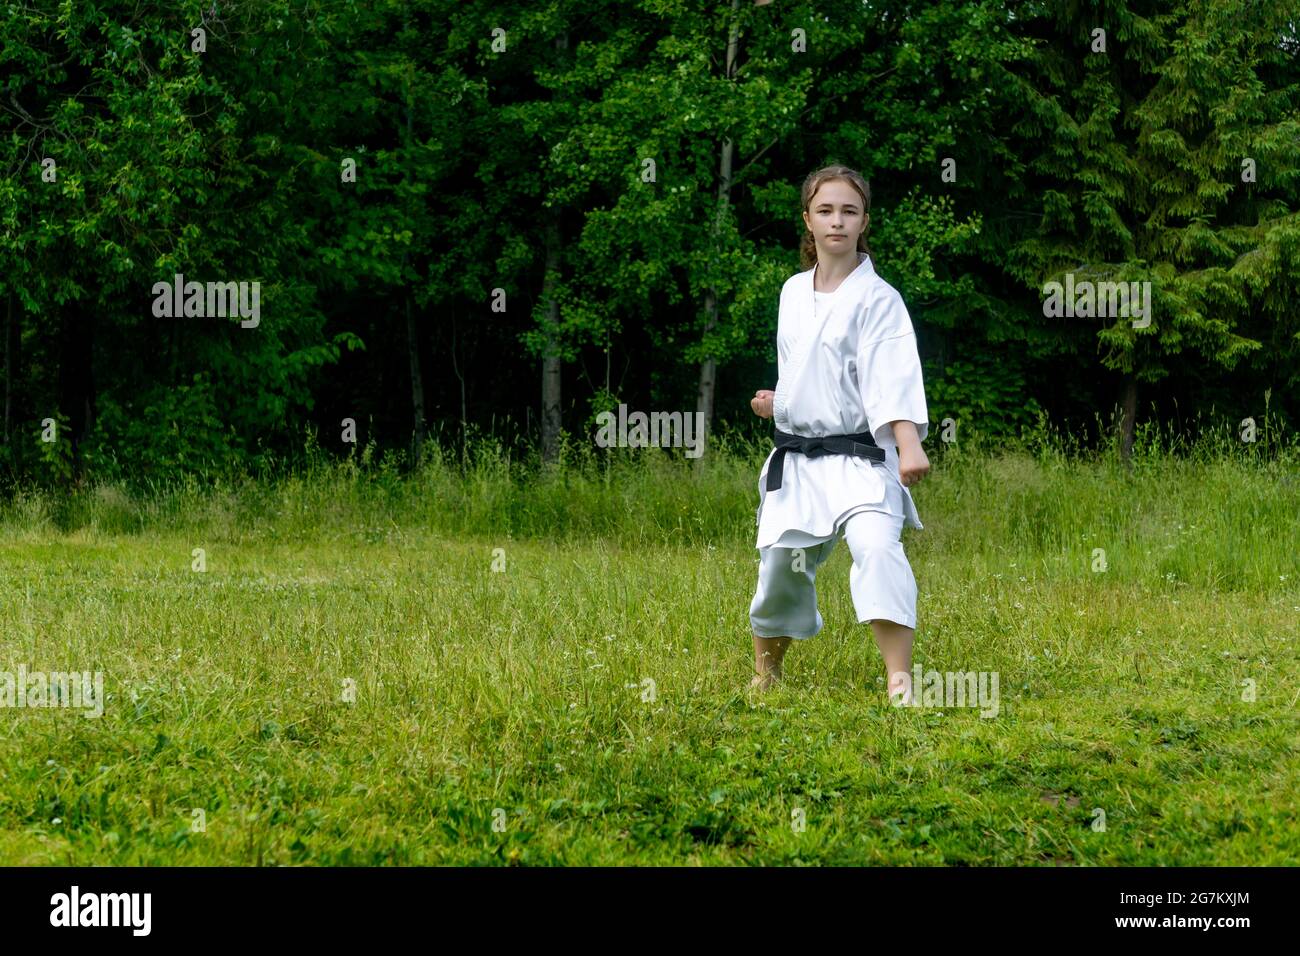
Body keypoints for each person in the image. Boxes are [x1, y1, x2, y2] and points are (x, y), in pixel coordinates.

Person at [747, 165, 930, 705]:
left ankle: (900, 680)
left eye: (849, 211)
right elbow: (806, 374)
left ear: (864, 220)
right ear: (808, 219)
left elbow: (890, 372)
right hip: (799, 461)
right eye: (825, 210)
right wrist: (777, 404)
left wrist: (908, 440)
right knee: (780, 567)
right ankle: (766, 675)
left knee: (877, 549)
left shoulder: (880, 299)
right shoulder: (791, 292)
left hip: (861, 458)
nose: (837, 221)